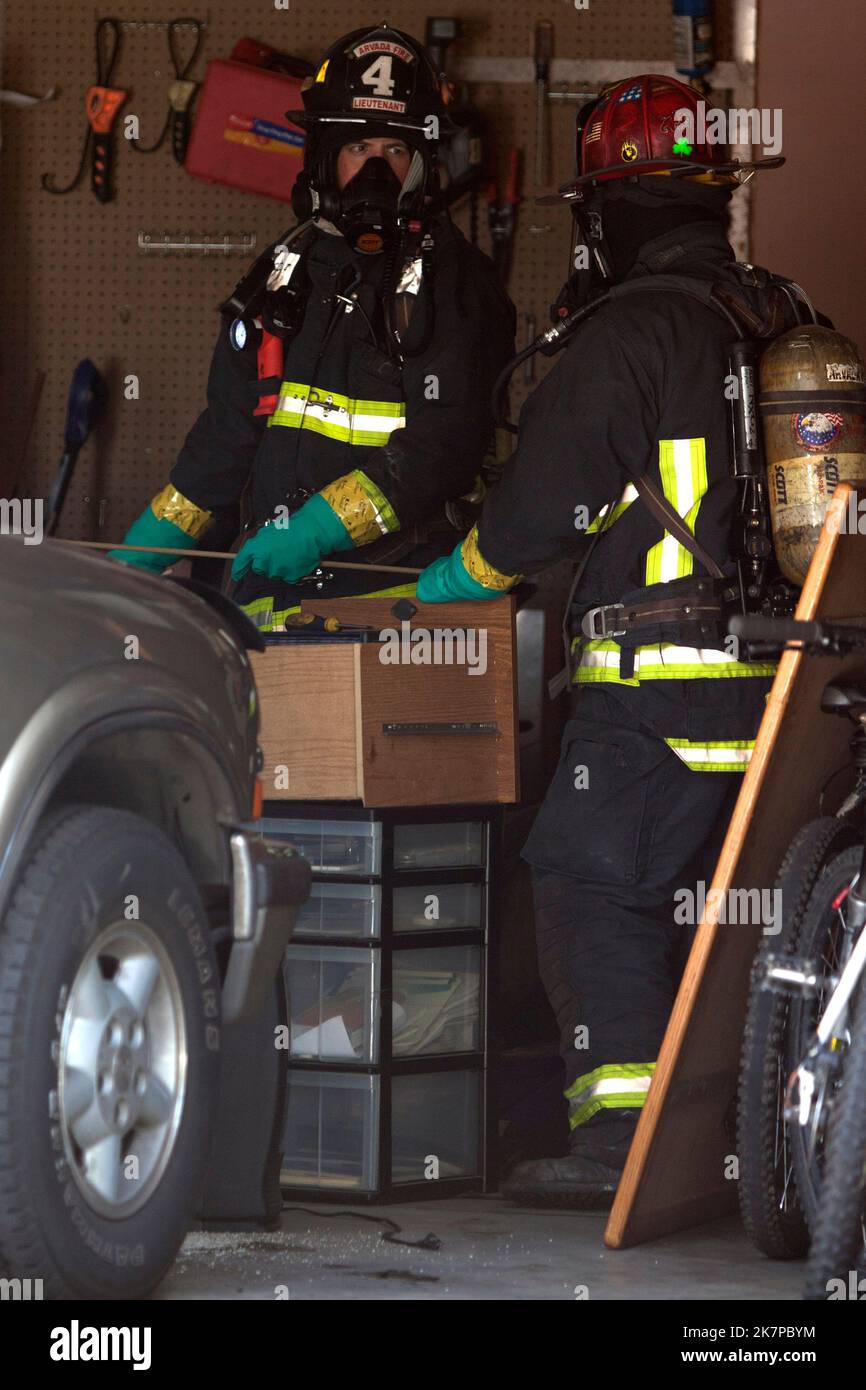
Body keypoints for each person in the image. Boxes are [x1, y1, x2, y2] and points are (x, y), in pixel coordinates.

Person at [416, 73, 799, 1207]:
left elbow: (536, 513)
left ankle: (622, 1148)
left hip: (659, 700)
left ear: (613, 210)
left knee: (583, 881)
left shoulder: (632, 331)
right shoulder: (782, 314)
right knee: (723, 919)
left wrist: (454, 580)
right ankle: (739, 1147)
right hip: (783, 702)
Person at [110, 24, 515, 630]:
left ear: (424, 164)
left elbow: (442, 448)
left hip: (399, 612)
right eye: (358, 151)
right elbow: (229, 431)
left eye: (395, 152)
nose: (377, 172)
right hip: (272, 606)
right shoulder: (285, 270)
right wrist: (144, 550)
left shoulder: (456, 284)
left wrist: (316, 530)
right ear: (323, 156)